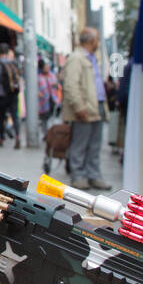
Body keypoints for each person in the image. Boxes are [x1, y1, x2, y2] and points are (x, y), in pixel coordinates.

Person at [63, 26, 110, 190]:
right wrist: (79, 106)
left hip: (97, 106)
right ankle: (78, 176)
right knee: (80, 144)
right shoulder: (77, 58)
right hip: (85, 108)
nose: (98, 42)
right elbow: (70, 85)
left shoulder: (91, 58)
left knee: (95, 145)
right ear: (91, 40)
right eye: (97, 39)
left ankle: (94, 175)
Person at [0, 43, 22, 148]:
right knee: (14, 116)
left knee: (1, 117)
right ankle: (17, 137)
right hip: (13, 93)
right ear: (8, 52)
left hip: (2, 94)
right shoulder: (14, 63)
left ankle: (1, 138)